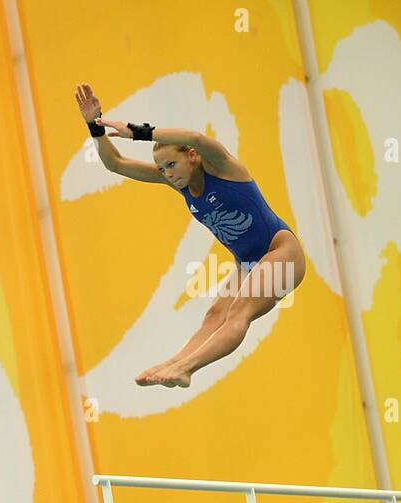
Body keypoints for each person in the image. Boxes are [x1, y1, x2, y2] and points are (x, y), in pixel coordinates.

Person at [75, 82, 306, 387]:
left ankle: (187, 367)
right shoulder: (177, 183)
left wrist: (137, 131)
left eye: (172, 164)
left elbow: (195, 136)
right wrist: (94, 124)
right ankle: (174, 363)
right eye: (163, 168)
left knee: (239, 311)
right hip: (246, 262)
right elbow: (115, 164)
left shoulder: (224, 167)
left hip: (281, 252)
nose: (168, 173)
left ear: (194, 156)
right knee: (214, 315)